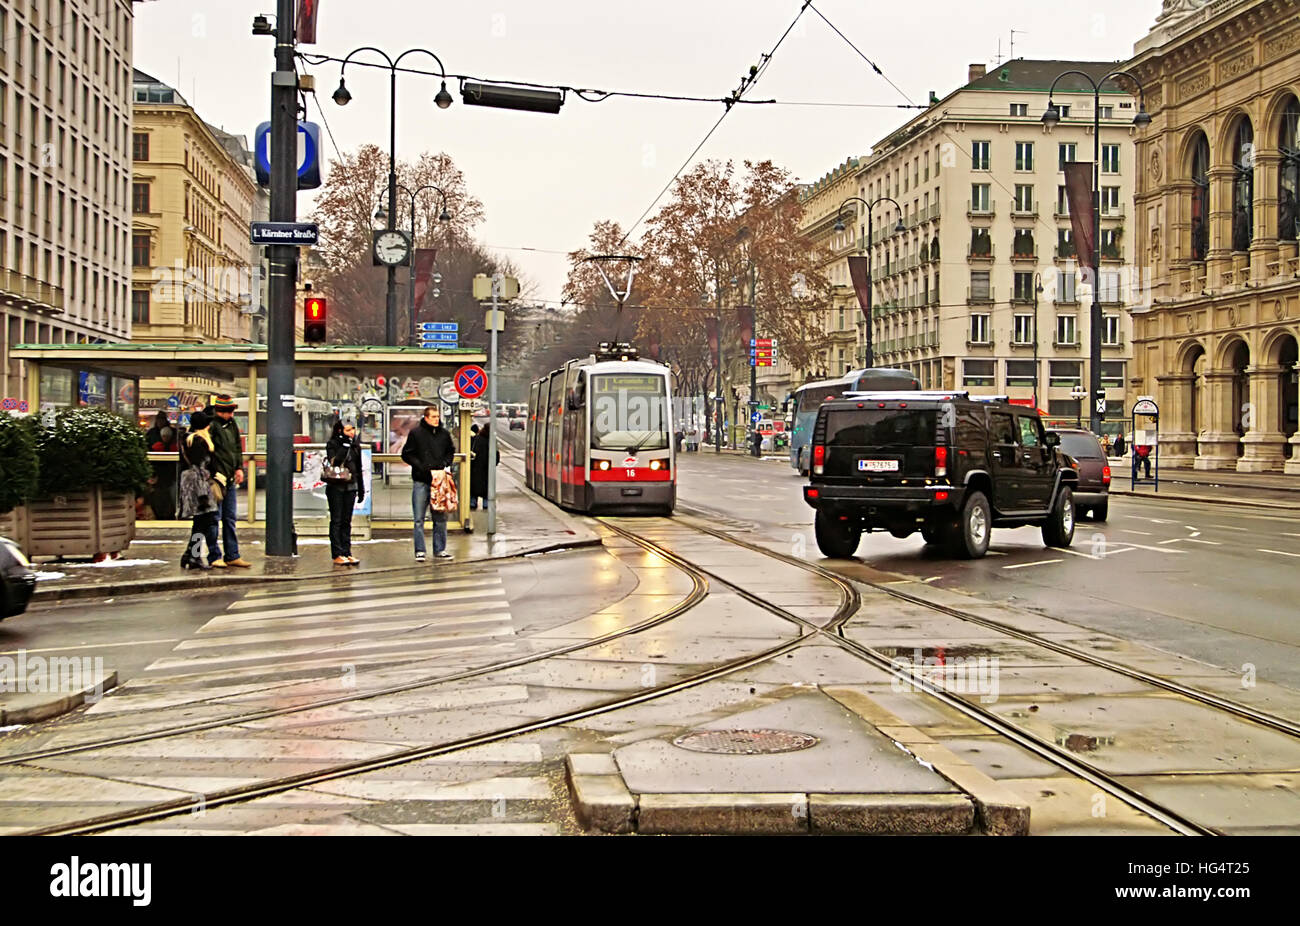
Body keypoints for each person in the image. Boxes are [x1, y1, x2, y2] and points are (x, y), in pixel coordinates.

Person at [401, 404, 456, 562]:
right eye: (433, 417)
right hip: (421, 480)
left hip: (439, 480)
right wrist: (421, 466)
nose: (436, 419)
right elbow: (407, 454)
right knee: (419, 518)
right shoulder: (416, 433)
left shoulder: (444, 434)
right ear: (426, 418)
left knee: (440, 517)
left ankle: (440, 549)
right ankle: (420, 550)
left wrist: (445, 463)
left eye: (437, 416)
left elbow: (450, 450)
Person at [205, 395, 251, 568]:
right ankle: (214, 555)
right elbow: (210, 452)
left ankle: (232, 554)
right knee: (214, 518)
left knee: (229, 518)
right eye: (228, 411)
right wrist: (215, 473)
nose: (231, 414)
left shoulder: (231, 425)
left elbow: (237, 448)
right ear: (220, 411)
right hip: (217, 479)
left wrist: (239, 467)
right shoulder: (212, 426)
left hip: (229, 478)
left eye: (232, 411)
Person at [178, 411, 219, 570]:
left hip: (194, 484)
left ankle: (191, 555)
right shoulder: (197, 442)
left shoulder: (189, 440)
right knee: (203, 521)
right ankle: (192, 555)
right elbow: (202, 467)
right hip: (199, 486)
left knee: (200, 522)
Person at [324, 418, 365, 566]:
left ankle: (347, 552)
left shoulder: (355, 446)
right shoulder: (333, 444)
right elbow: (334, 461)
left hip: (351, 486)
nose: (351, 433)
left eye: (353, 429)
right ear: (340, 431)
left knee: (347, 521)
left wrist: (361, 490)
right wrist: (343, 445)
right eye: (348, 430)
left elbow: (358, 468)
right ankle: (337, 553)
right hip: (336, 486)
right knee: (337, 520)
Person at [149, 425, 180, 520]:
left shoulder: (173, 447)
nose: (165, 438)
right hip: (162, 477)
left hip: (170, 476)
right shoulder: (157, 447)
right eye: (164, 436)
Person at [470, 422, 498, 511]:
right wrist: (494, 463)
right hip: (487, 469)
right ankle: (486, 504)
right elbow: (496, 455)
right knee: (487, 489)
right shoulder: (491, 441)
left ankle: (472, 502)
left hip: (475, 468)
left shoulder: (476, 439)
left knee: (473, 488)